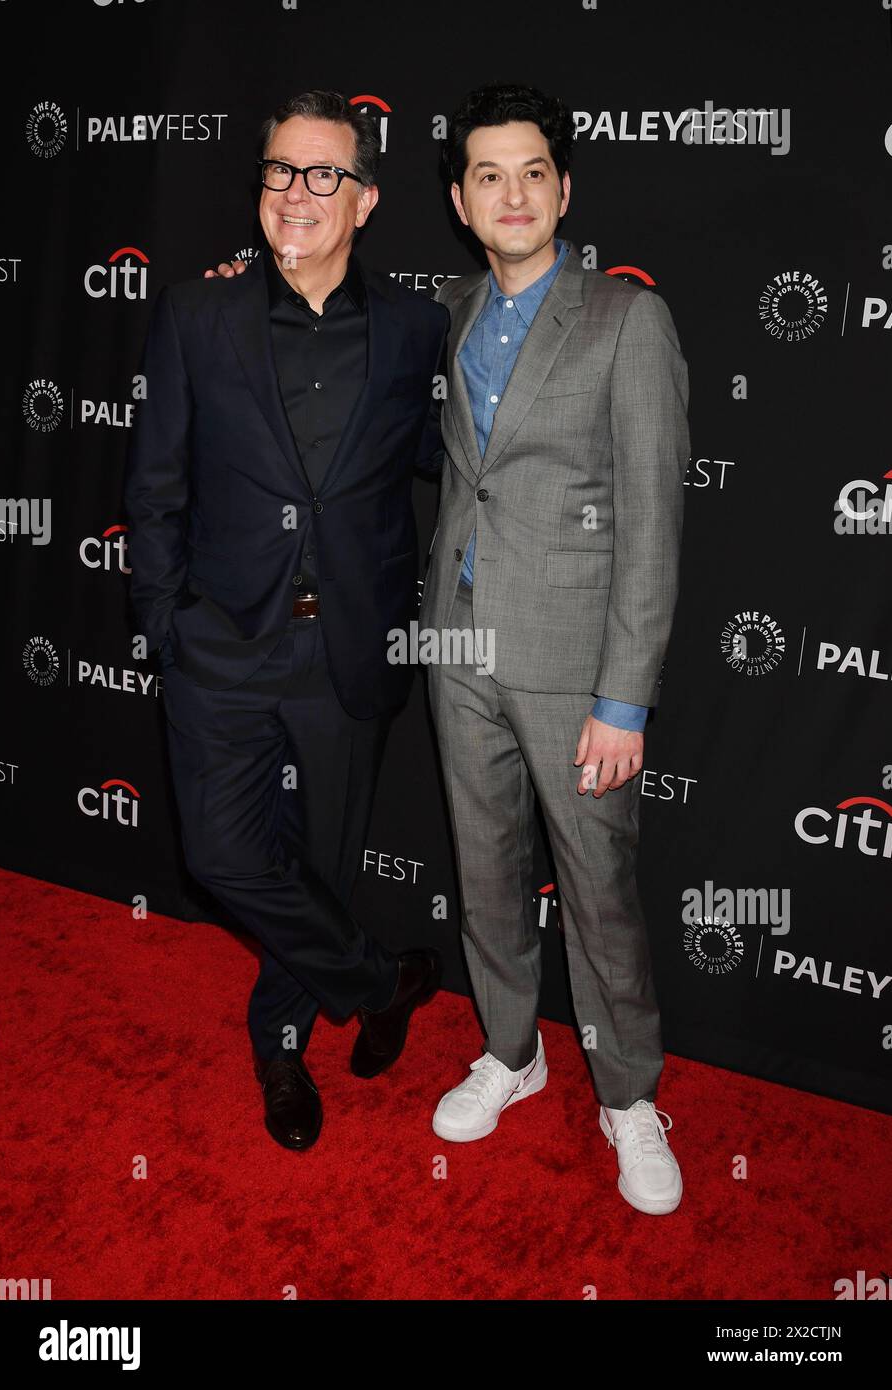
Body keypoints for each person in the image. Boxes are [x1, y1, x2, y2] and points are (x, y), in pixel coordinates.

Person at [123, 90, 448, 1153]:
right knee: (221, 855)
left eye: (323, 175)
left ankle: (281, 1038)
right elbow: (157, 483)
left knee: (327, 854)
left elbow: (436, 471)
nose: (297, 192)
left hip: (348, 641)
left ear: (366, 200)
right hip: (221, 639)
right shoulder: (195, 311)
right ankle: (377, 977)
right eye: (279, 172)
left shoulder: (414, 328)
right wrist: (165, 623)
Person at [421, 83, 689, 1215]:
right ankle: (514, 1051)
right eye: (490, 175)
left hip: (576, 664)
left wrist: (623, 700)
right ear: (462, 201)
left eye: (533, 171)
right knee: (484, 874)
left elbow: (654, 519)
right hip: (459, 648)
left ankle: (628, 1093)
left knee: (599, 891)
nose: (513, 192)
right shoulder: (454, 309)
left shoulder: (628, 320)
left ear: (564, 189)